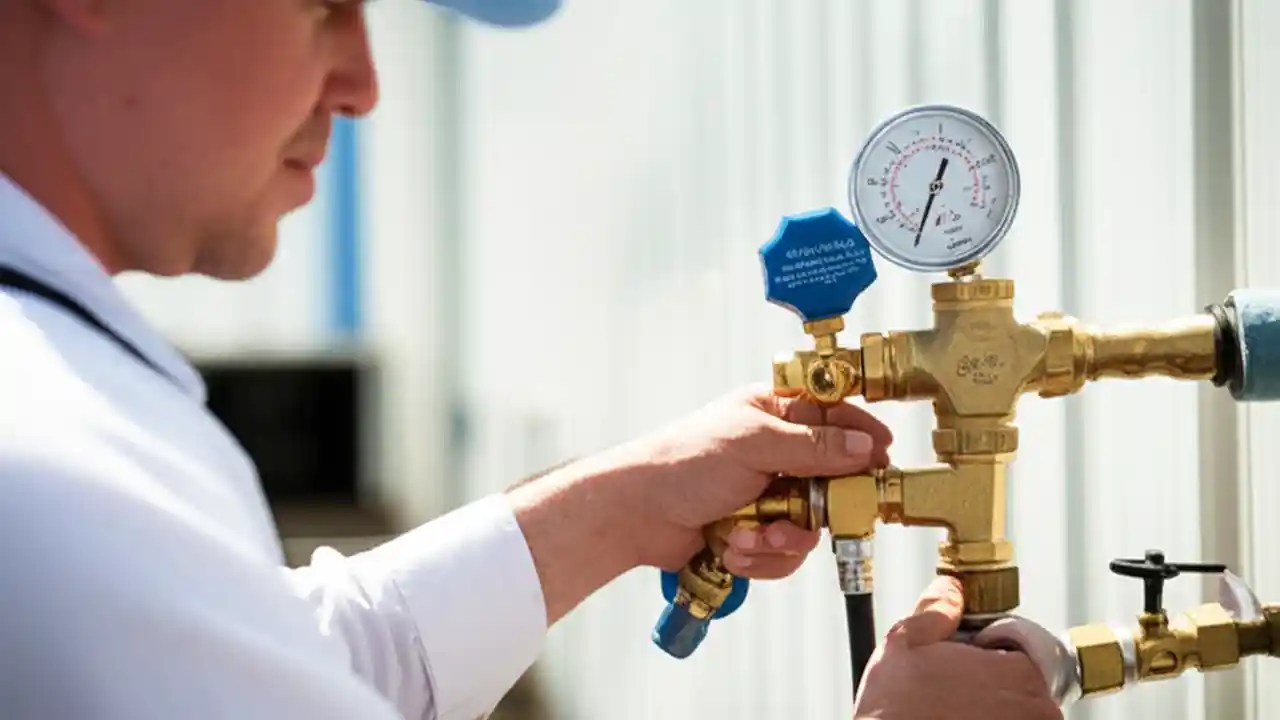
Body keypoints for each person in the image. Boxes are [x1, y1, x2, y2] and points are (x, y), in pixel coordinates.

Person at [0, 1, 1061, 718]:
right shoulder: (56, 478)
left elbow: (290, 665)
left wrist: (619, 503)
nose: (363, 84)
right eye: (324, 4)